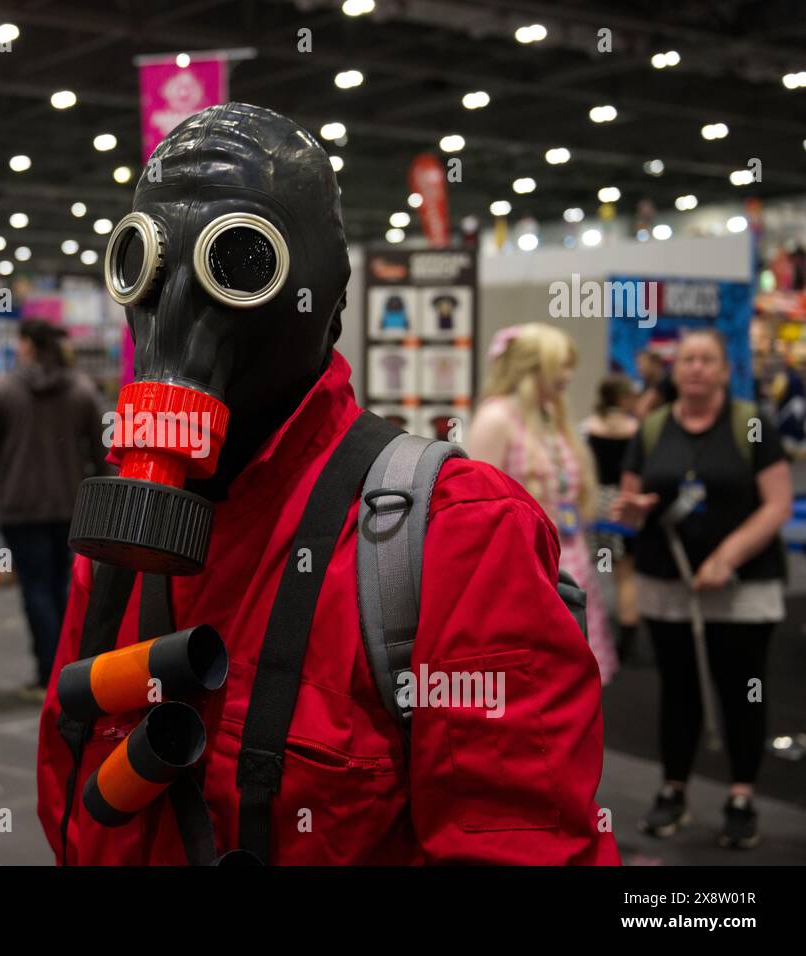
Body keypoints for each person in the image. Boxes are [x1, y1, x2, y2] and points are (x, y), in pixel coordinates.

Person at [36, 103, 618, 865]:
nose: (175, 312)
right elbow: (69, 795)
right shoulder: (120, 548)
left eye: (238, 264)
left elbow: (519, 845)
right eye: (146, 264)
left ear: (330, 302)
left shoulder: (460, 536)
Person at [612, 329, 791, 849]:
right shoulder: (651, 427)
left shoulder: (750, 425)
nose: (695, 368)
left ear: (724, 370)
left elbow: (777, 503)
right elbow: (629, 499)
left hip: (742, 587)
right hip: (668, 582)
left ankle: (741, 795)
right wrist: (637, 509)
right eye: (686, 359)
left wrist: (727, 556)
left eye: (706, 359)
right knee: (678, 689)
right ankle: (673, 790)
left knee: (743, 689)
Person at [468, 323, 618, 685]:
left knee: (574, 685)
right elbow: (474, 509)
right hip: (523, 571)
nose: (568, 375)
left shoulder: (551, 416)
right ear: (532, 369)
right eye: (560, 365)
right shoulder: (497, 419)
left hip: (570, 563)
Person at [0, 319, 109, 697]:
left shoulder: (2, 389)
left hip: (20, 506)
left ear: (26, 345)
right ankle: (68, 669)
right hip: (72, 505)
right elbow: (104, 453)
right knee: (66, 588)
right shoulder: (83, 390)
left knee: (36, 589)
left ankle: (47, 673)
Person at [582, 374, 641, 662]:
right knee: (625, 572)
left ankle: (590, 633)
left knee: (589, 571)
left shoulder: (588, 427)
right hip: (624, 501)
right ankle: (627, 635)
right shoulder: (635, 429)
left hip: (595, 503)